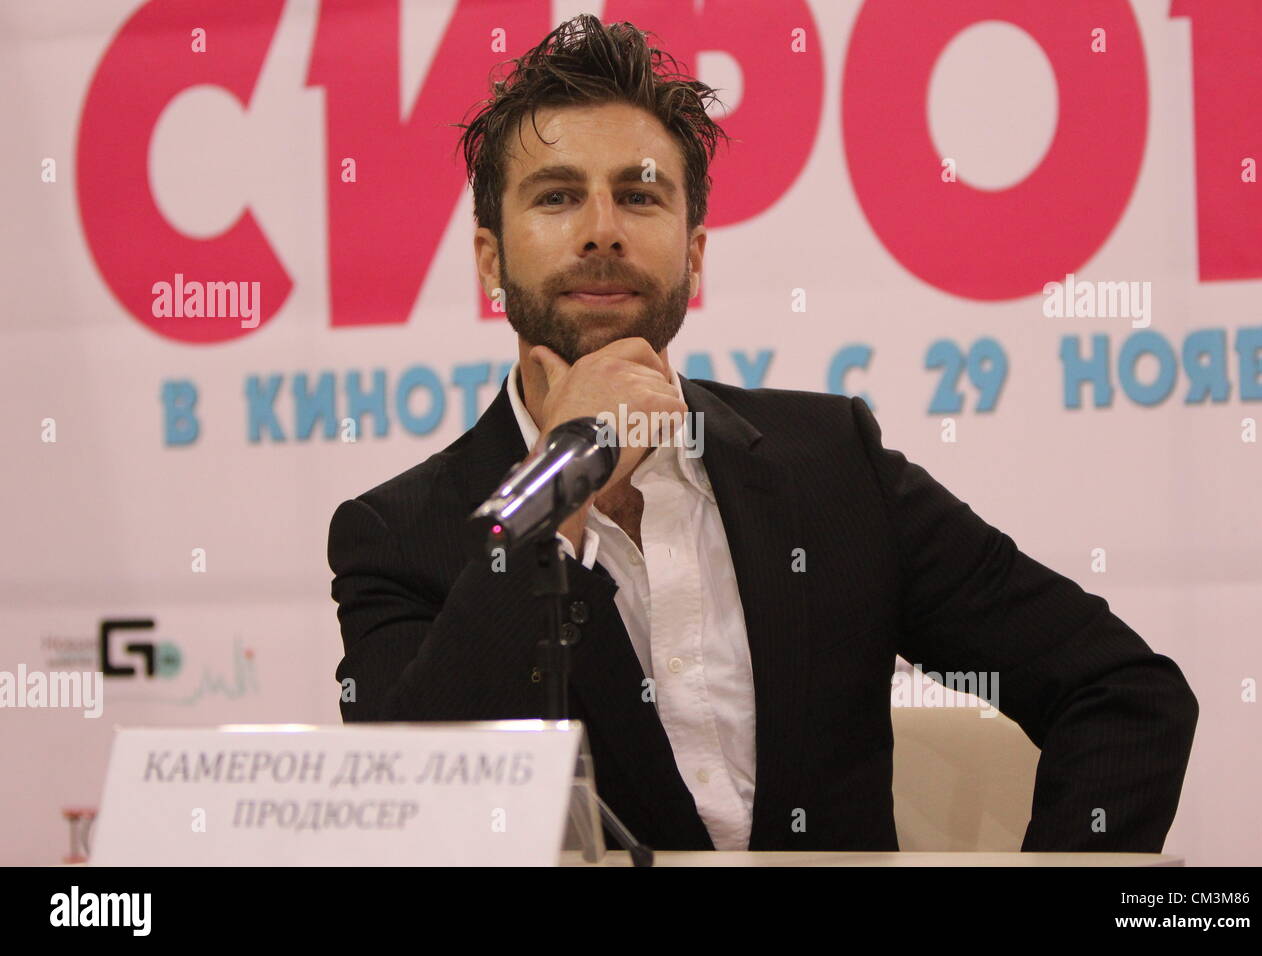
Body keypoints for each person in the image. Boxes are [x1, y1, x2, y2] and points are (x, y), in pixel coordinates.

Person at [328, 14, 1197, 853]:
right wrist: (560, 474)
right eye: (558, 199)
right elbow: (414, 810)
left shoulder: (830, 466)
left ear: (694, 254)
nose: (602, 229)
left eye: (639, 194)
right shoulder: (397, 537)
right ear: (491, 261)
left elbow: (1122, 690)